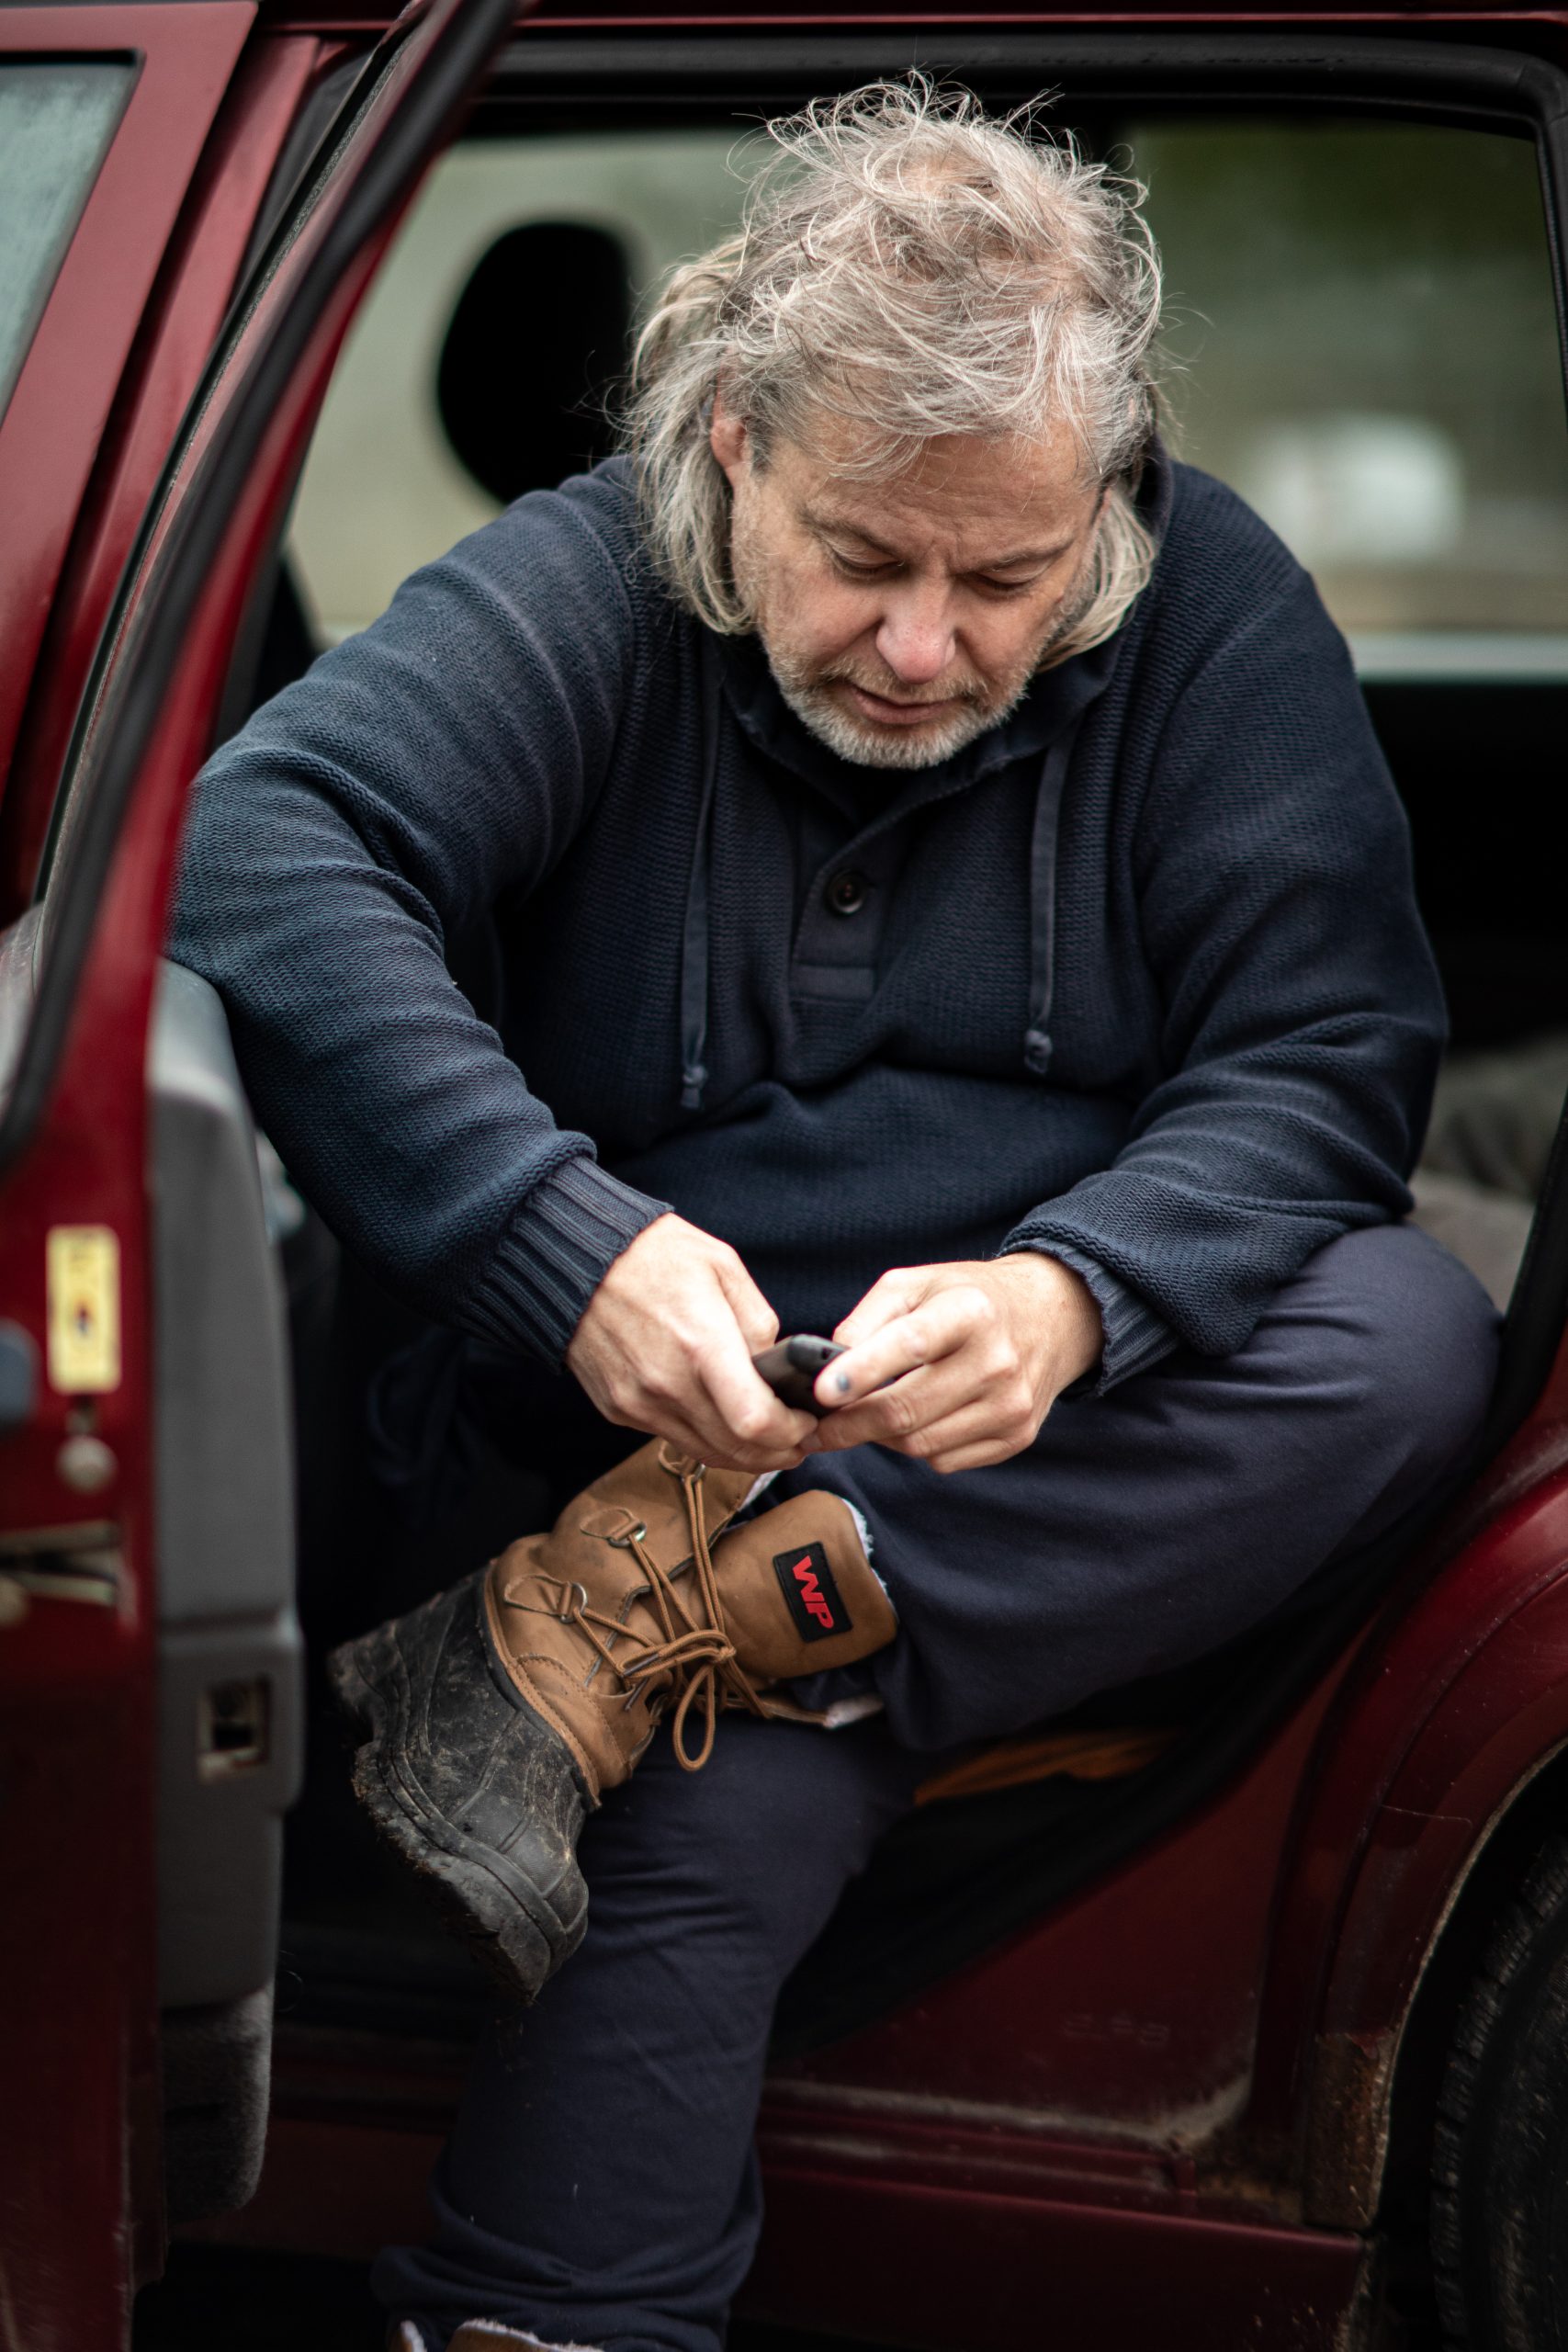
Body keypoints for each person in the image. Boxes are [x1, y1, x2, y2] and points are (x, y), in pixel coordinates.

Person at [169, 79, 1499, 2352]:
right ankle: (663, 1636)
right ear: (725, 459)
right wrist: (556, 1236)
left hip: (1012, 1436)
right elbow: (259, 849)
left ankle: (618, 1638)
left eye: (1004, 579)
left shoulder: (1210, 611)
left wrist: (1076, 1293)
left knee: (1401, 1333)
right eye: (862, 559)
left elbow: (1323, 1063)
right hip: (601, 1425)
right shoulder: (592, 578)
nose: (923, 642)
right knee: (754, 1750)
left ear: (1102, 508)